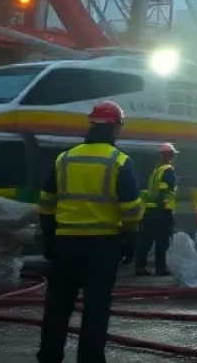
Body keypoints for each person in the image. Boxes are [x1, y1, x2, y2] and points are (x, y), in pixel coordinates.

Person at [36, 100, 143, 363]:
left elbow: (46, 203)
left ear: (91, 125)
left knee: (57, 307)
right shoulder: (119, 161)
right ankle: (90, 359)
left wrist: (50, 239)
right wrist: (130, 241)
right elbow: (130, 209)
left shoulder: (65, 158)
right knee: (96, 309)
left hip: (65, 244)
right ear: (117, 127)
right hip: (102, 246)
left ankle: (50, 357)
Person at [135, 142, 178, 276]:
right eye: (172, 154)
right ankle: (161, 269)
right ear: (169, 155)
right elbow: (166, 190)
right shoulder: (168, 170)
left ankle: (139, 267)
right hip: (162, 211)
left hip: (150, 211)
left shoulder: (156, 170)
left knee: (146, 240)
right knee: (162, 241)